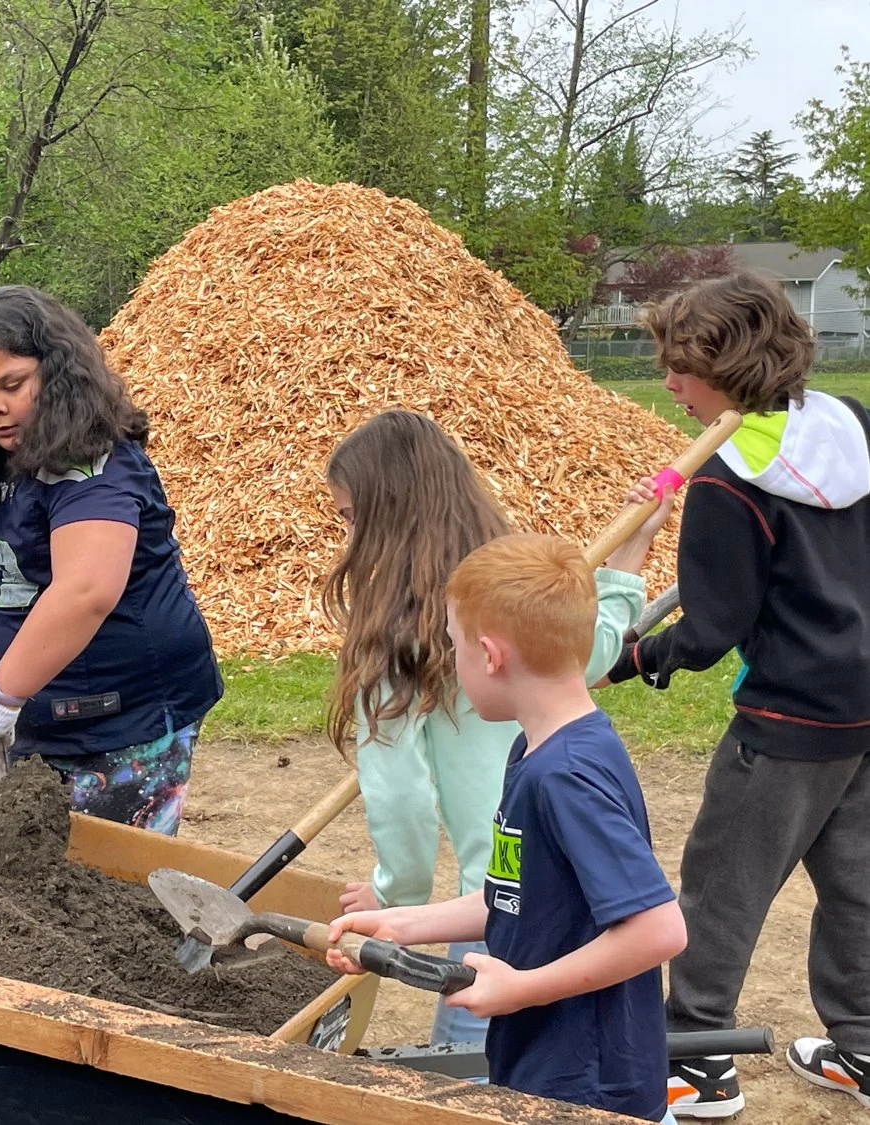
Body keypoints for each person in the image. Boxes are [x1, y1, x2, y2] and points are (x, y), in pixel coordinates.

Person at [605, 272, 870, 1117]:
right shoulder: (851, 427)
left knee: (722, 883)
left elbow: (712, 629)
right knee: (859, 878)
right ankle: (864, 1039)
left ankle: (696, 1056)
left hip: (787, 717)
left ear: (727, 365)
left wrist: (631, 656)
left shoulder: (726, 480)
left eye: (681, 368)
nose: (671, 385)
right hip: (863, 705)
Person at [323, 410, 664, 1048]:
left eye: (348, 518)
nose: (346, 540)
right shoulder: (515, 597)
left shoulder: (391, 638)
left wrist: (392, 893)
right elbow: (592, 648)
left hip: (496, 901)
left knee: (484, 1060)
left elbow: (401, 801)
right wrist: (630, 554)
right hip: (565, 892)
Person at [328, 533, 688, 1122]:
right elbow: (512, 896)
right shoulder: (539, 748)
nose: (454, 663)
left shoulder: (565, 776)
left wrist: (521, 989)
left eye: (454, 647)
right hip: (544, 1062)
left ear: (492, 655)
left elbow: (659, 930)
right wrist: (398, 924)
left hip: (587, 1087)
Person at [0, 285, 222, 835]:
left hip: (128, 711)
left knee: (109, 877)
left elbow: (85, 591)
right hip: (46, 704)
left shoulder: (97, 469)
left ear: (56, 375)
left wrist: (3, 696)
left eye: (12, 385)